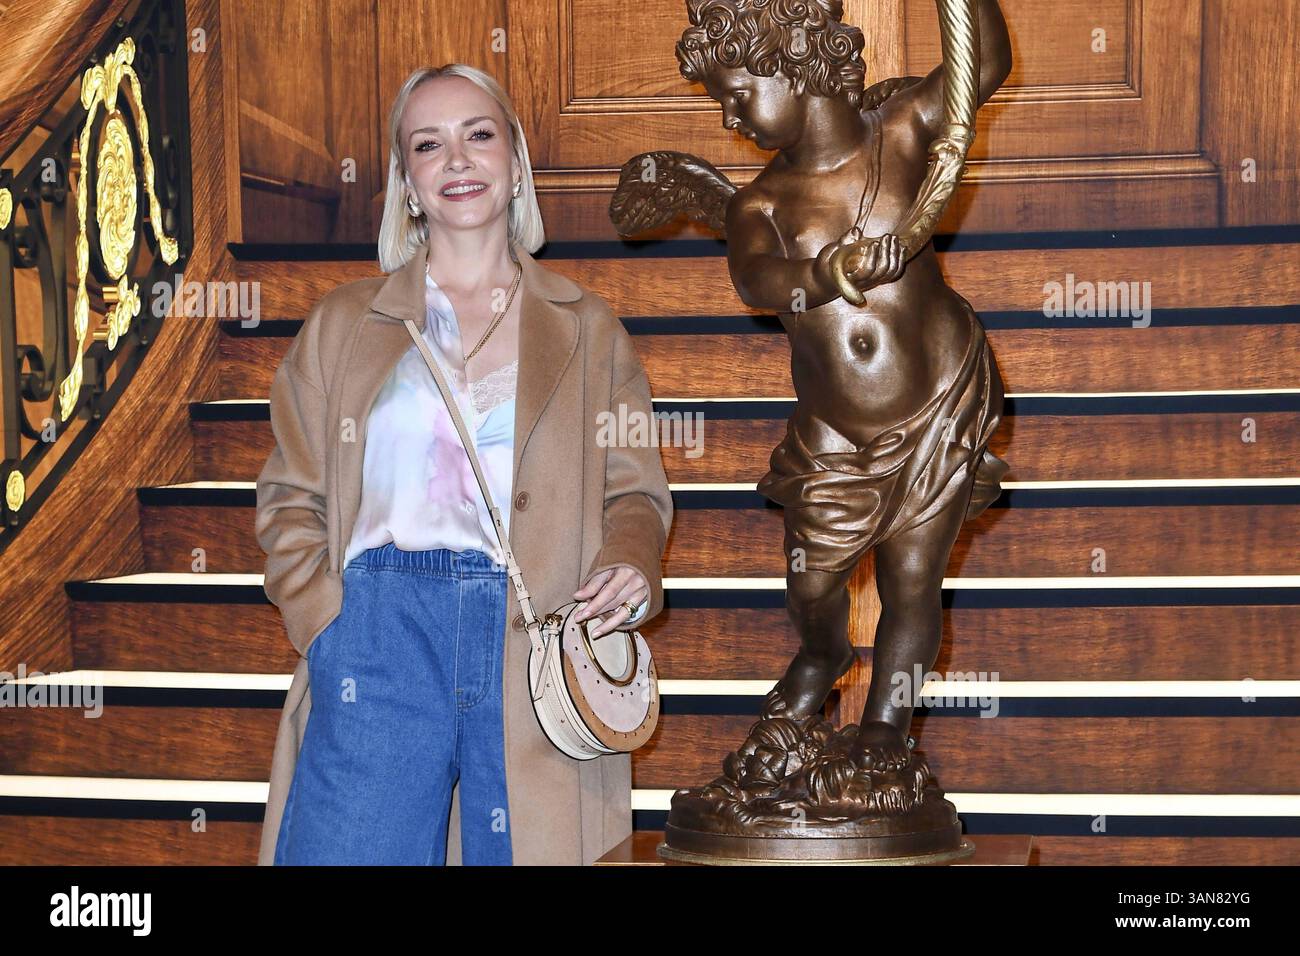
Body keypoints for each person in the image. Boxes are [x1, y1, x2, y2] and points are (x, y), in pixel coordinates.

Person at [255, 63, 672, 865]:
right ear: (406, 183)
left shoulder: (588, 327)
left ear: (514, 164)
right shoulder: (345, 324)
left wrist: (630, 562)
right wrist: (327, 624)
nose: (457, 159)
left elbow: (636, 494)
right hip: (377, 639)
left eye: (479, 135)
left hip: (534, 638)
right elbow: (288, 495)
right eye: (428, 145)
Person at [676, 0, 1011, 769]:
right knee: (814, 582)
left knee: (914, 579)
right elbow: (759, 281)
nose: (732, 116)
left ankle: (886, 730)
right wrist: (831, 270)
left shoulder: (900, 132)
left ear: (792, 64)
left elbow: (983, 63)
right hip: (834, 434)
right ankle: (824, 654)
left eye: (737, 92)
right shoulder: (758, 203)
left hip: (936, 405)